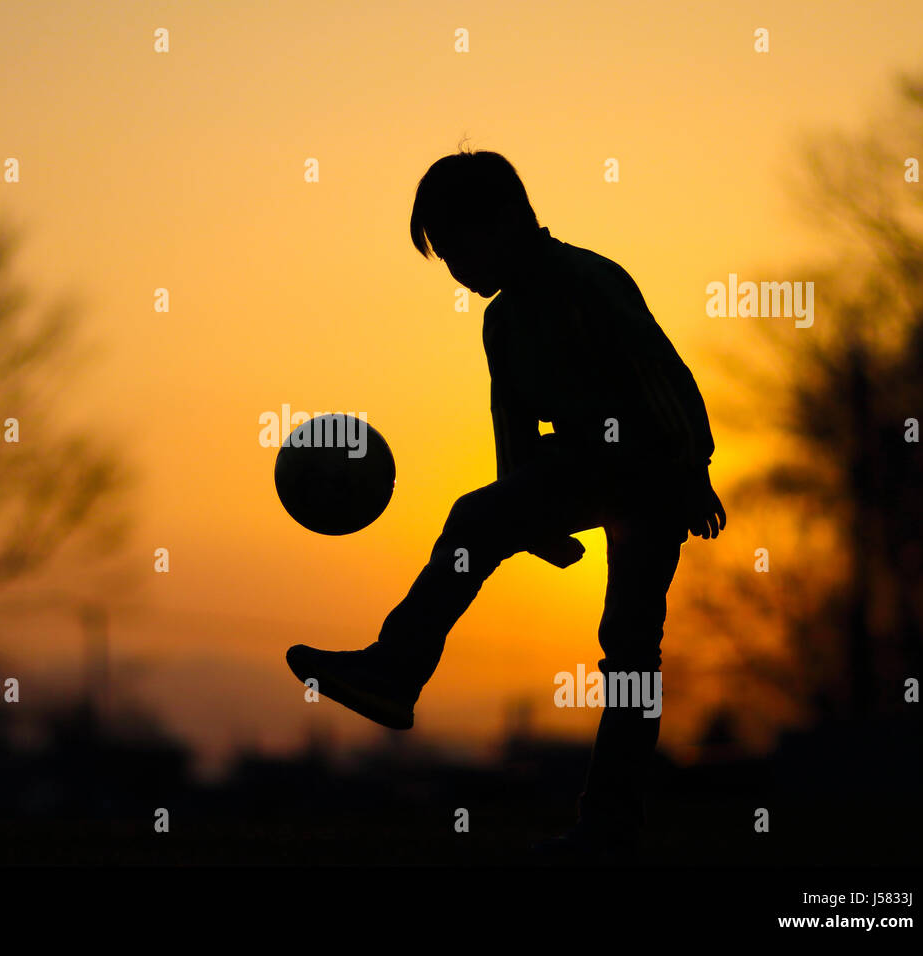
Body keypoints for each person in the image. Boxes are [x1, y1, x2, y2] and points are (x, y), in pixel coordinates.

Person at [286, 148, 726, 859]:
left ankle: (607, 823)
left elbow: (663, 377)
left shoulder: (589, 280)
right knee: (484, 518)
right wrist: (527, 512)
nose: (457, 269)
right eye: (444, 256)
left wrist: (693, 472)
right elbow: (513, 425)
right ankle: (396, 673)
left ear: (511, 219)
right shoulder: (503, 324)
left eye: (459, 246)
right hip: (581, 465)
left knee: (629, 648)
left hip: (647, 468)